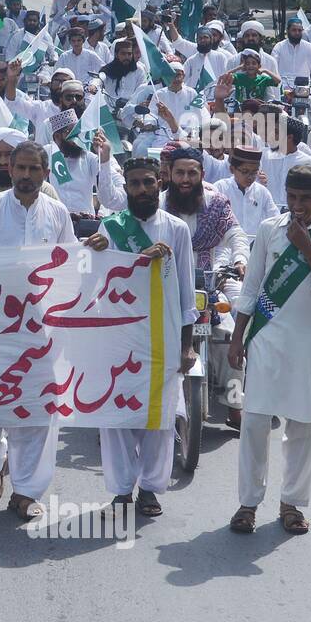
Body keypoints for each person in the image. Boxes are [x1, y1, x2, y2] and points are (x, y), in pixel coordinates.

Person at [228, 164, 311, 535]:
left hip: (308, 341)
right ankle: (248, 503)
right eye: (292, 197)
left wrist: (307, 248)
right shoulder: (268, 229)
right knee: (255, 422)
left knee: (304, 424)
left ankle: (291, 503)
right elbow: (251, 286)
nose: (297, 205)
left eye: (306, 198)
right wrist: (238, 336)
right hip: (267, 336)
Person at [0, 142, 73, 518]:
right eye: (20, 168)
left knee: (36, 411)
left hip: (41, 332)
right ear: (10, 170)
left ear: (45, 173)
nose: (26, 176)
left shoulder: (57, 213)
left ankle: (26, 490)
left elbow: (68, 268)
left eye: (33, 169)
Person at [84, 157, 196, 516]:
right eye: (134, 184)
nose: (143, 190)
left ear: (159, 183)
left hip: (162, 337)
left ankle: (149, 488)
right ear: (126, 188)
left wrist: (188, 344)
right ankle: (120, 491)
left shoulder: (176, 229)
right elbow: (94, 283)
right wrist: (92, 254)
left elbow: (185, 291)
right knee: (115, 418)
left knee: (158, 418)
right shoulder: (111, 226)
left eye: (148, 182)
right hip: (118, 336)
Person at [163, 145, 247, 427]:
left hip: (207, 287)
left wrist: (240, 259)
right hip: (164, 288)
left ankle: (235, 404)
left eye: (191, 173)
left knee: (230, 338)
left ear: (202, 174)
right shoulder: (159, 204)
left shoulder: (217, 203)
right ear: (169, 174)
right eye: (179, 173)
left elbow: (236, 234)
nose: (185, 179)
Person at [214, 145, 278, 240]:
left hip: (254, 248)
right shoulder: (220, 188)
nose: (250, 177)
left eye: (254, 172)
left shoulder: (262, 192)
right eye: (245, 171)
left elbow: (275, 219)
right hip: (226, 248)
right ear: (232, 169)